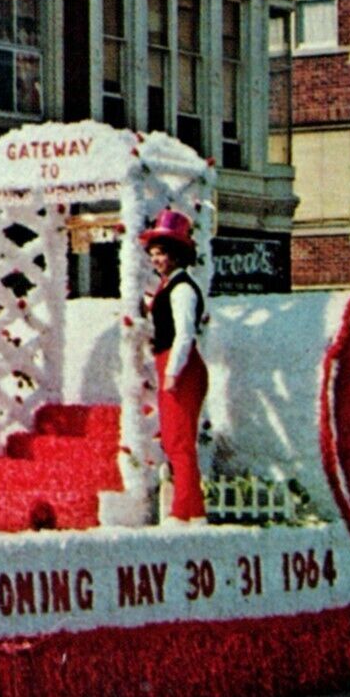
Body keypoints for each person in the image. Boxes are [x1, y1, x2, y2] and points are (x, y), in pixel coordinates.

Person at [139, 209, 209, 524]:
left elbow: (184, 334)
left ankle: (186, 509)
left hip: (181, 366)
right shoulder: (169, 287)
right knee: (173, 438)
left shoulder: (181, 289)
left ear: (175, 254)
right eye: (153, 253)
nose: (155, 259)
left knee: (180, 440)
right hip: (170, 362)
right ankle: (190, 507)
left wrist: (172, 373)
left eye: (161, 253)